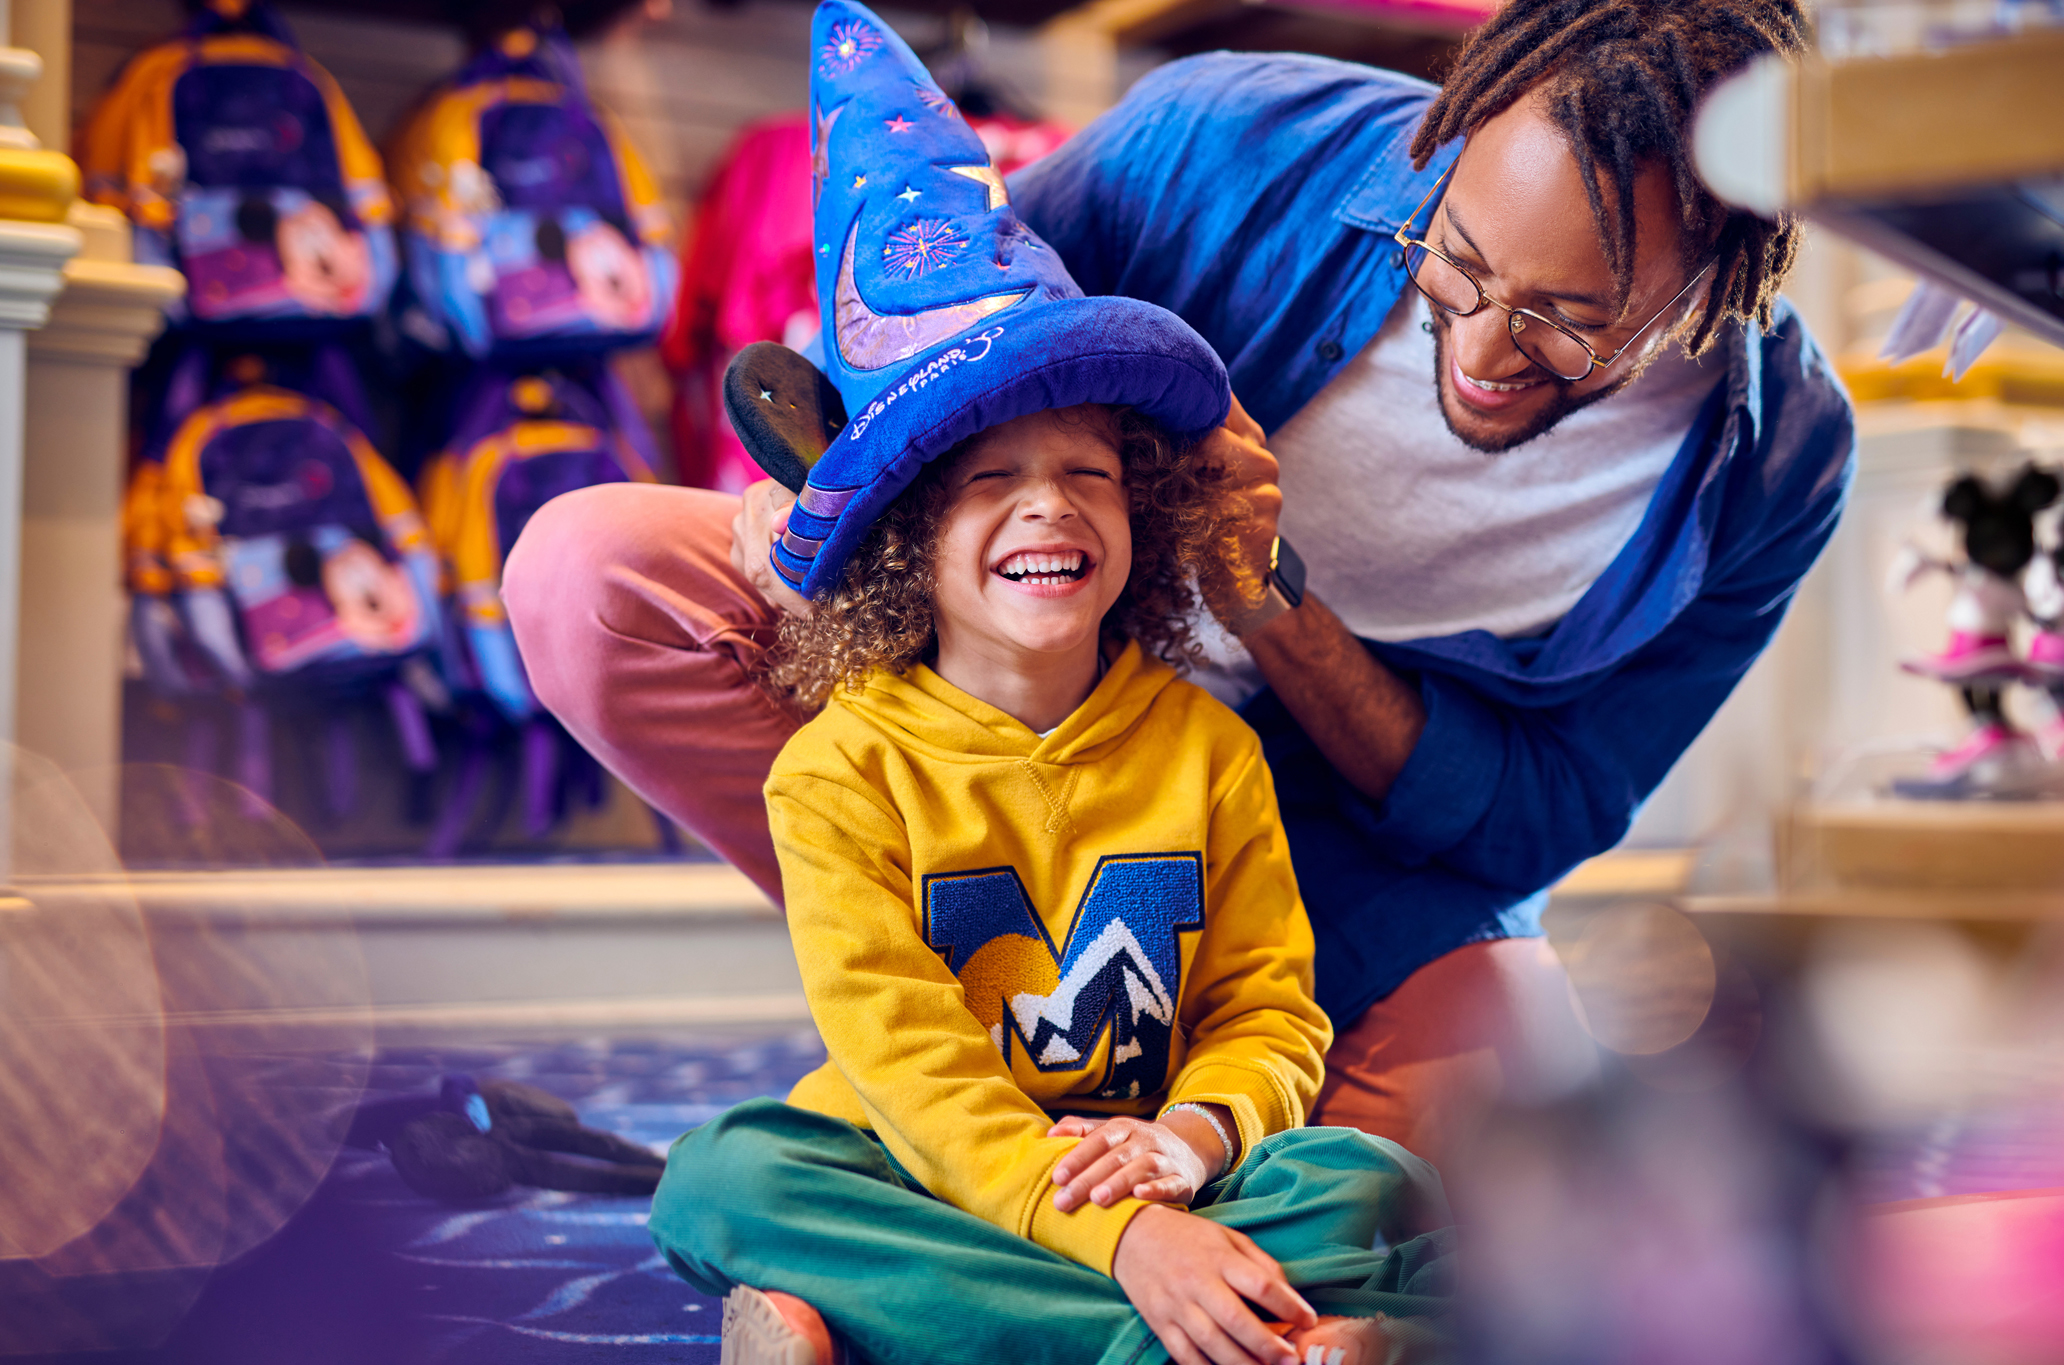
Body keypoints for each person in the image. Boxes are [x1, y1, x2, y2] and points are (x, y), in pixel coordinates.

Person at [504, 0, 1856, 1170]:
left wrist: (1268, 602)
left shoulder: (1773, 464)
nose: (1486, 348)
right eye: (1455, 263)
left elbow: (1536, 818)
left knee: (1505, 1102)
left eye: (1571, 321)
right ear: (1456, 137)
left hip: (1333, 875)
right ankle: (955, 991)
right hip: (996, 748)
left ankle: (1121, 1124)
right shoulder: (1223, 142)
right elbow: (930, 346)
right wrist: (817, 503)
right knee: (594, 575)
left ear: (1713, 288)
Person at [643, 12, 1450, 1365]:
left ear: (1137, 511)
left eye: (1087, 472)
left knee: (1369, 1182)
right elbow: (907, 1068)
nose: (1047, 507)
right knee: (725, 1177)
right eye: (988, 480)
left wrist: (1186, 1148)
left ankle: (901, 1335)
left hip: (1160, 1168)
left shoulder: (1206, 749)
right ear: (904, 538)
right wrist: (1129, 1249)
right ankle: (1234, 1341)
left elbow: (1269, 1012)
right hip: (936, 1172)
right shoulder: (835, 776)